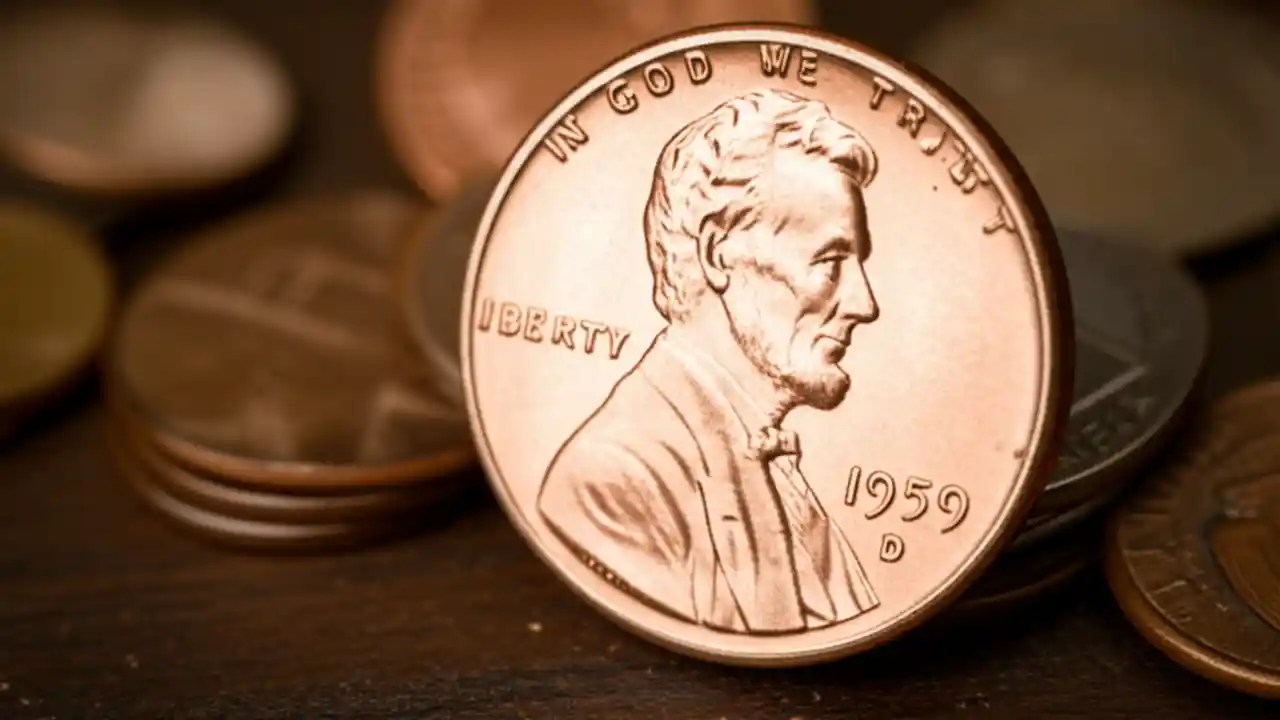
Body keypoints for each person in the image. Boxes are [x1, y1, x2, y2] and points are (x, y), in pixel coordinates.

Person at [539, 90, 882, 634]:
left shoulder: (774, 465)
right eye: (830, 261)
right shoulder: (612, 479)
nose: (865, 306)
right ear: (718, 255)